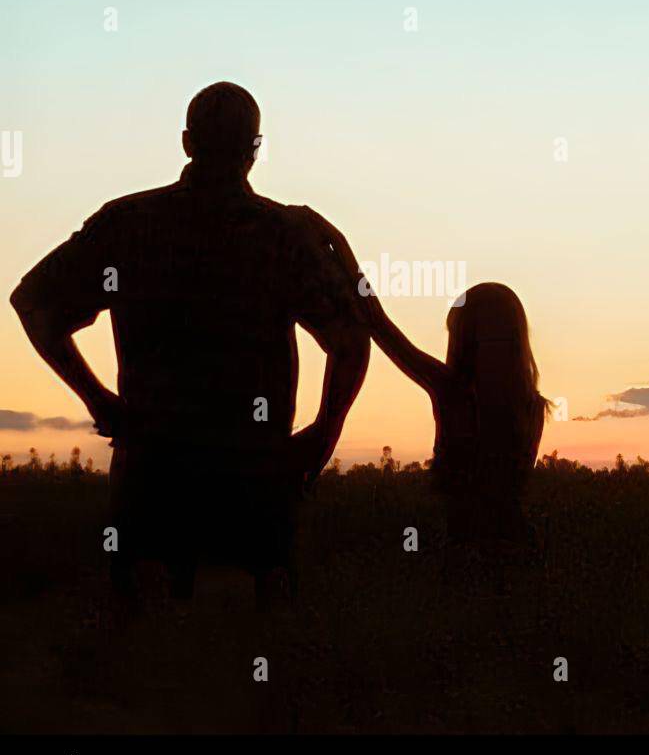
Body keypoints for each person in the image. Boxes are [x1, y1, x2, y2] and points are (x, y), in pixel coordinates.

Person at [10, 81, 370, 606]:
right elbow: (351, 340)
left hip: (154, 480)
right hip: (253, 485)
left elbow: (34, 303)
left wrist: (99, 401)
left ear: (186, 142)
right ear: (255, 150)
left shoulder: (128, 226)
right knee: (248, 658)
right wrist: (323, 432)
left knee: (149, 663)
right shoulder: (284, 237)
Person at [306, 214, 547, 544]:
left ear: (462, 337)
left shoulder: (452, 391)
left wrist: (335, 242)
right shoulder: (532, 406)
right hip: (519, 544)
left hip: (465, 549)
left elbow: (377, 323)